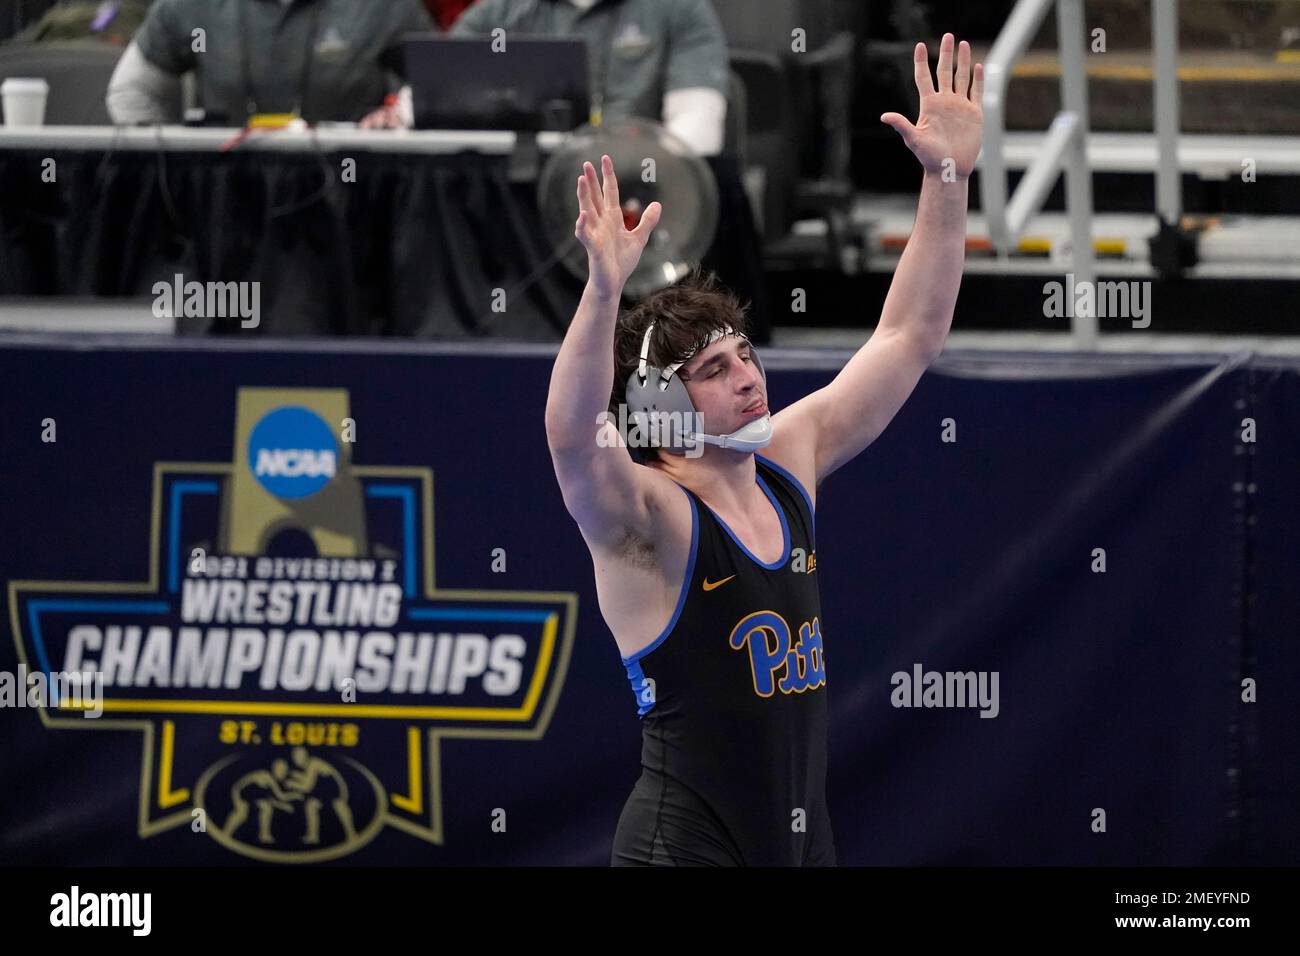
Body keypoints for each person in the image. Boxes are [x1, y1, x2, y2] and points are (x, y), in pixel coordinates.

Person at [544, 34, 984, 865]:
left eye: (745, 353)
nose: (748, 376)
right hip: (686, 847)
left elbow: (909, 333)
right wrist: (603, 293)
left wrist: (945, 181)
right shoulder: (650, 515)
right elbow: (571, 436)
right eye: (714, 370)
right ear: (661, 403)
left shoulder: (788, 459)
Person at [413, 0, 728, 155]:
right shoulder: (501, 10)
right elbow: (436, 84)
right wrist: (401, 110)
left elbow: (697, 128)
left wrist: (644, 167)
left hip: (629, 188)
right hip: (517, 199)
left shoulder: (680, 9)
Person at [104, 0, 432, 126]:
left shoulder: (386, 7)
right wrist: (173, 166)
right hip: (224, 200)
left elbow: (441, 86)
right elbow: (132, 92)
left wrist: (402, 114)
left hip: (350, 201)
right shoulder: (190, 6)